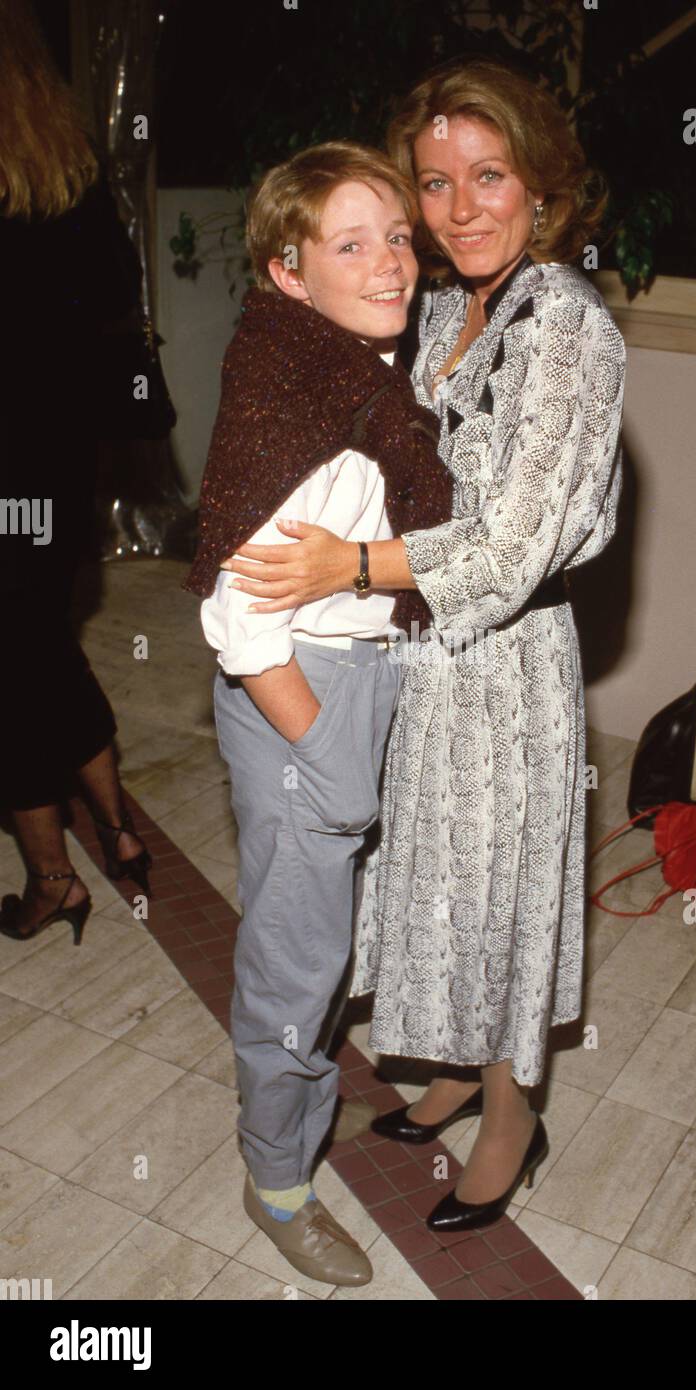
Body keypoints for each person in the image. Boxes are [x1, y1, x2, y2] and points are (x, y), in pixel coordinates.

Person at [222, 58, 626, 1233]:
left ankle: (510, 1114)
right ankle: (449, 1073)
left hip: (503, 669)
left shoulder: (569, 328)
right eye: (434, 184)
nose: (459, 209)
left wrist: (343, 569)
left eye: (487, 176)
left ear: (540, 185)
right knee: (426, 885)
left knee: (500, 899)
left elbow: (505, 547)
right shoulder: (443, 304)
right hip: (409, 659)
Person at [183, 143, 451, 1284]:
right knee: (297, 964)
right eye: (351, 244)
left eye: (395, 234)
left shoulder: (350, 368)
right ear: (289, 271)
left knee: (321, 940)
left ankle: (291, 1130)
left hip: (353, 669)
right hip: (299, 689)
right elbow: (237, 616)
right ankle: (278, 1182)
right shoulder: (296, 397)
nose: (390, 261)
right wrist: (328, 753)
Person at [0, 0, 154, 944]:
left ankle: (53, 879)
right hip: (56, 461)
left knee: (11, 672)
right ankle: (121, 833)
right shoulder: (74, 177)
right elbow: (111, 307)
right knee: (44, 646)